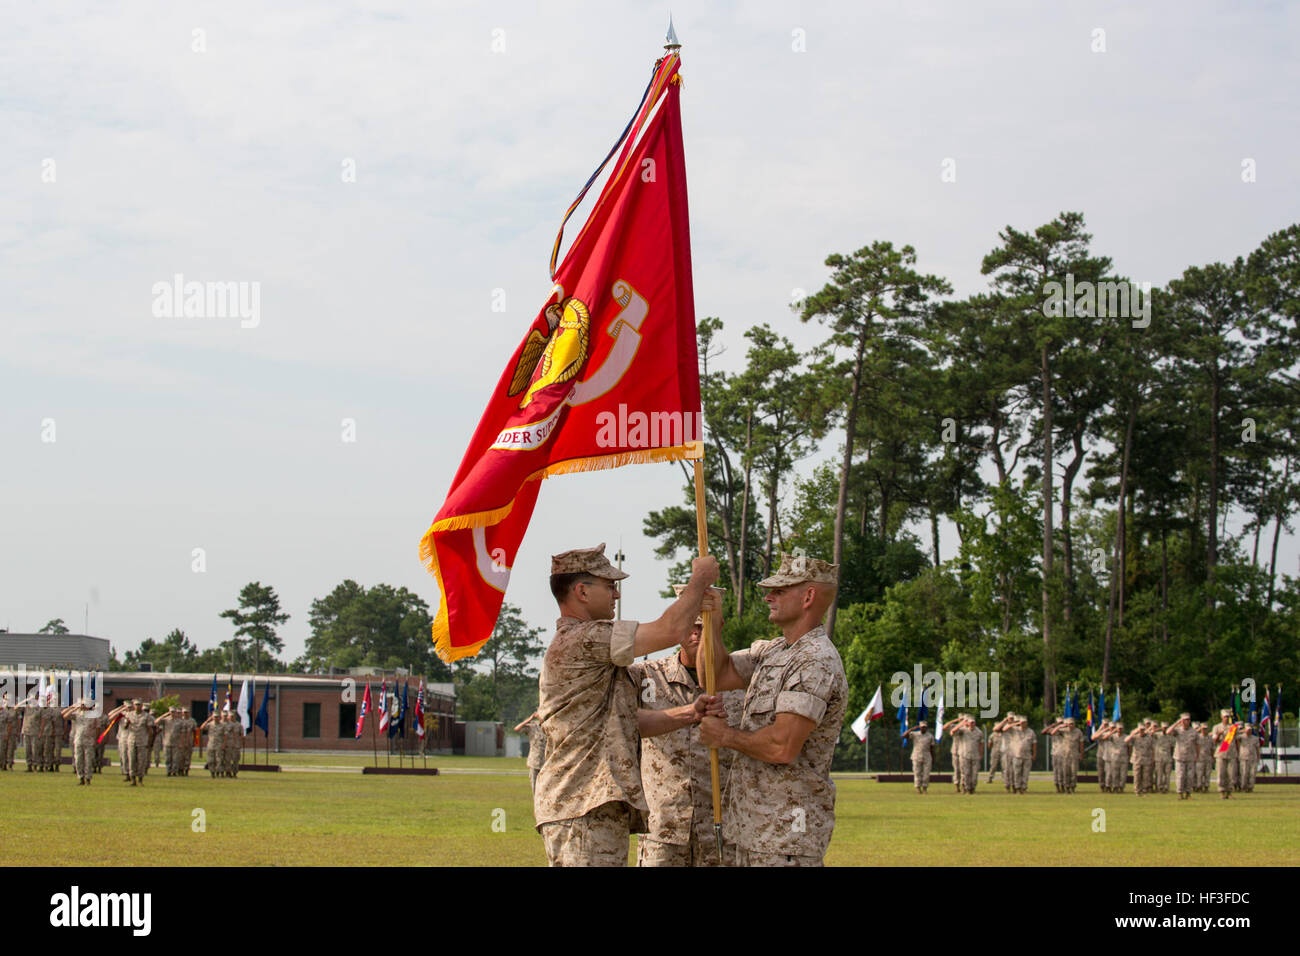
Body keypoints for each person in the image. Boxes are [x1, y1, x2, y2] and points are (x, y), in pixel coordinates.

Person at [533, 544, 722, 867]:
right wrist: (698, 581)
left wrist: (690, 713)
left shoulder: (590, 646)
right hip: (583, 806)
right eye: (609, 586)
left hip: (591, 806)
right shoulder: (586, 638)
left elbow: (627, 722)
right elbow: (670, 631)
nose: (616, 595)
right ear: (581, 591)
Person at [699, 552, 849, 867]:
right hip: (754, 831)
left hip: (785, 837)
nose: (769, 596)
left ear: (808, 596)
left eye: (780, 590)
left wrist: (724, 736)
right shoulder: (774, 651)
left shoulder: (815, 660)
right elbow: (714, 673)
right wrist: (712, 621)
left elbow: (782, 746)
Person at [629, 597, 744, 866]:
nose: (695, 633)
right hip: (664, 827)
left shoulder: (740, 679)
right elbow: (621, 720)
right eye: (690, 626)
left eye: (703, 626)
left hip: (722, 827)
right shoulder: (646, 676)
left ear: (719, 627)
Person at [62, 699, 98, 785]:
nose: (82, 706)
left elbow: (96, 728)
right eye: (82, 704)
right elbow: (64, 715)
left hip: (89, 741)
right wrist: (74, 707)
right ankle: (81, 778)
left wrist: (96, 740)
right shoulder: (77, 714)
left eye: (84, 704)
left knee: (88, 761)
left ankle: (88, 779)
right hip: (78, 740)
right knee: (78, 760)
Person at [513, 712, 546, 796]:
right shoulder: (532, 726)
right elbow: (517, 729)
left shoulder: (550, 725)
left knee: (546, 789)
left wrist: (542, 720)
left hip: (547, 762)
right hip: (534, 761)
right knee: (535, 789)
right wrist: (530, 718)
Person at [1166, 714, 1198, 800]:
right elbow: (1168, 732)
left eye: (1188, 720)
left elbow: (1197, 744)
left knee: (1190, 776)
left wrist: (1197, 755)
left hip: (1190, 756)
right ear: (1181, 721)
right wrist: (1176, 723)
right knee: (1180, 776)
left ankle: (1188, 794)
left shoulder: (1193, 731)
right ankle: (1180, 794)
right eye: (1185, 720)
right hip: (1180, 757)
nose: (1186, 721)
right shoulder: (1178, 730)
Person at [1211, 710, 1238, 799]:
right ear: (1221, 717)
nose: (1226, 718)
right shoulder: (1217, 727)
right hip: (1221, 753)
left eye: (1228, 717)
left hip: (1231, 753)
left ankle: (1229, 792)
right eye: (1225, 716)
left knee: (1231, 774)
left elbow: (1236, 741)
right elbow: (1214, 741)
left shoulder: (1233, 727)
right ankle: (1222, 791)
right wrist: (1219, 734)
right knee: (1221, 774)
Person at [1003, 716, 1034, 793]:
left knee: (1025, 773)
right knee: (1017, 773)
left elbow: (1034, 743)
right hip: (1017, 755)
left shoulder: (1030, 732)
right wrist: (1016, 723)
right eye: (1022, 722)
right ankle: (1017, 787)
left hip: (1027, 755)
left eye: (1025, 722)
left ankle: (1024, 788)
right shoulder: (1014, 730)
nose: (1023, 724)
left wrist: (1034, 754)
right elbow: (1004, 729)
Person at [1126, 720, 1156, 796]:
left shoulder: (1149, 737)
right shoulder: (1135, 737)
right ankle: (1137, 791)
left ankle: (1144, 790)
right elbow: (1126, 740)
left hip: (1146, 759)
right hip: (1137, 760)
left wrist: (1153, 758)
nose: (1141, 731)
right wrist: (1133, 733)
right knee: (1137, 776)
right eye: (1140, 729)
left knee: (1146, 777)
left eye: (1143, 729)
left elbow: (1153, 748)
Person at [905, 720, 936, 793]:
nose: (923, 728)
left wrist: (933, 758)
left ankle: (925, 788)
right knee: (917, 773)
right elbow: (904, 736)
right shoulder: (915, 734)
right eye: (922, 727)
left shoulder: (930, 736)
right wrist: (911, 729)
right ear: (919, 727)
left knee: (926, 773)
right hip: (916, 756)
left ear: (926, 727)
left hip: (927, 756)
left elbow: (932, 748)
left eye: (924, 727)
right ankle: (918, 788)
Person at [1237, 723, 1260, 792]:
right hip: (1244, 758)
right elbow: (1234, 736)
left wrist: (1258, 757)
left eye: (1250, 730)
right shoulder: (1241, 737)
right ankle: (1243, 787)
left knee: (1252, 774)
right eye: (1247, 729)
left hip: (1253, 758)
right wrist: (1241, 731)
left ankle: (1250, 788)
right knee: (1244, 774)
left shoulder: (1255, 738)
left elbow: (1257, 748)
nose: (1248, 731)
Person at [1154, 721, 1174, 793]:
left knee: (1167, 774)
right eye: (1164, 727)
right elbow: (1149, 733)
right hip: (1159, 758)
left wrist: (1172, 757)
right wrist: (1158, 729)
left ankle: (1166, 788)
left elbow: (1172, 747)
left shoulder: (1171, 737)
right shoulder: (1157, 735)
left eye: (1166, 728)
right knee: (1159, 774)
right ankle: (1159, 788)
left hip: (1168, 758)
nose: (1165, 729)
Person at [1195, 722, 1214, 792]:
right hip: (1200, 758)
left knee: (1207, 774)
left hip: (1208, 758)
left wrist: (1212, 757)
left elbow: (1212, 748)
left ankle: (1206, 787)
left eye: (1206, 729)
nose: (1204, 730)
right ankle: (1199, 787)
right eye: (1203, 729)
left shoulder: (1210, 738)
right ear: (1201, 729)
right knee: (1199, 774)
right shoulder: (1198, 737)